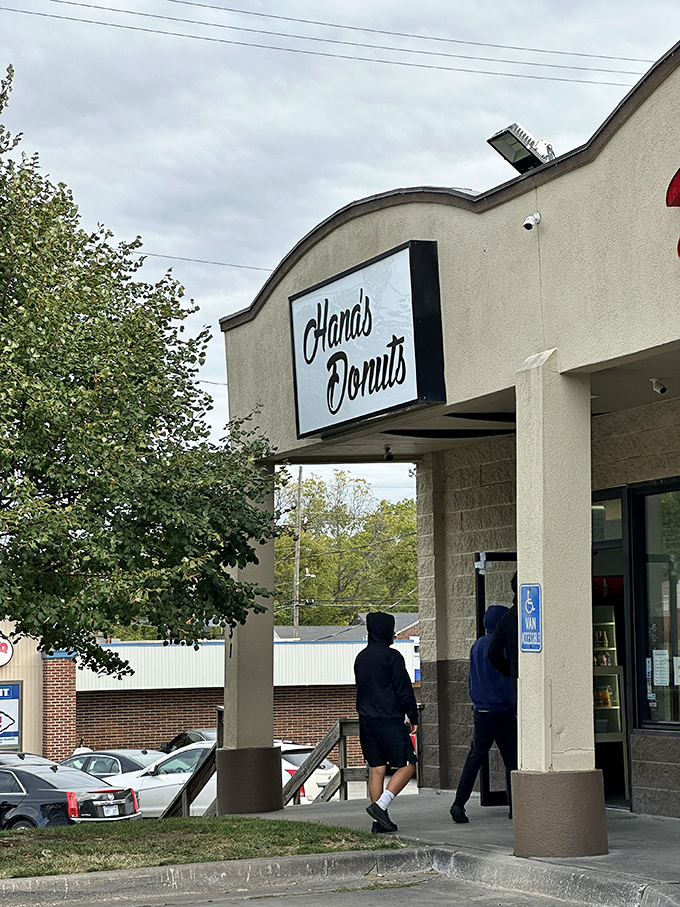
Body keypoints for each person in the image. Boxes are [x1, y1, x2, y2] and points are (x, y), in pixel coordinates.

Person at [450, 602, 517, 824]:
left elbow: (471, 679)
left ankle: (459, 804)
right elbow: (507, 680)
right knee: (511, 760)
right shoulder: (503, 646)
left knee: (475, 757)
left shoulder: (476, 646)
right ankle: (515, 808)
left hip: (481, 711)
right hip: (504, 711)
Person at [354, 611, 418, 833]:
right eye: (391, 629)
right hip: (389, 720)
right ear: (385, 631)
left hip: (366, 721)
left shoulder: (361, 658)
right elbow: (403, 690)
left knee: (377, 769)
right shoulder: (392, 657)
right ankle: (381, 807)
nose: (393, 634)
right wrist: (413, 715)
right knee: (408, 765)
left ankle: (378, 822)